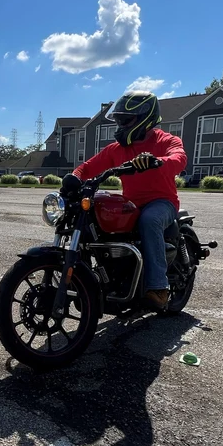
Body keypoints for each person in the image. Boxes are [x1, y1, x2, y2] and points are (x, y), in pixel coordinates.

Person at [66, 91, 187, 311]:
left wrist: (157, 161)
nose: (120, 125)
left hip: (162, 202)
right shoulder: (116, 149)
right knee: (94, 215)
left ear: (145, 117)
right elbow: (89, 167)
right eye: (119, 120)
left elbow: (179, 158)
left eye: (126, 120)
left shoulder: (165, 140)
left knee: (149, 220)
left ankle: (158, 288)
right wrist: (74, 177)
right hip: (131, 204)